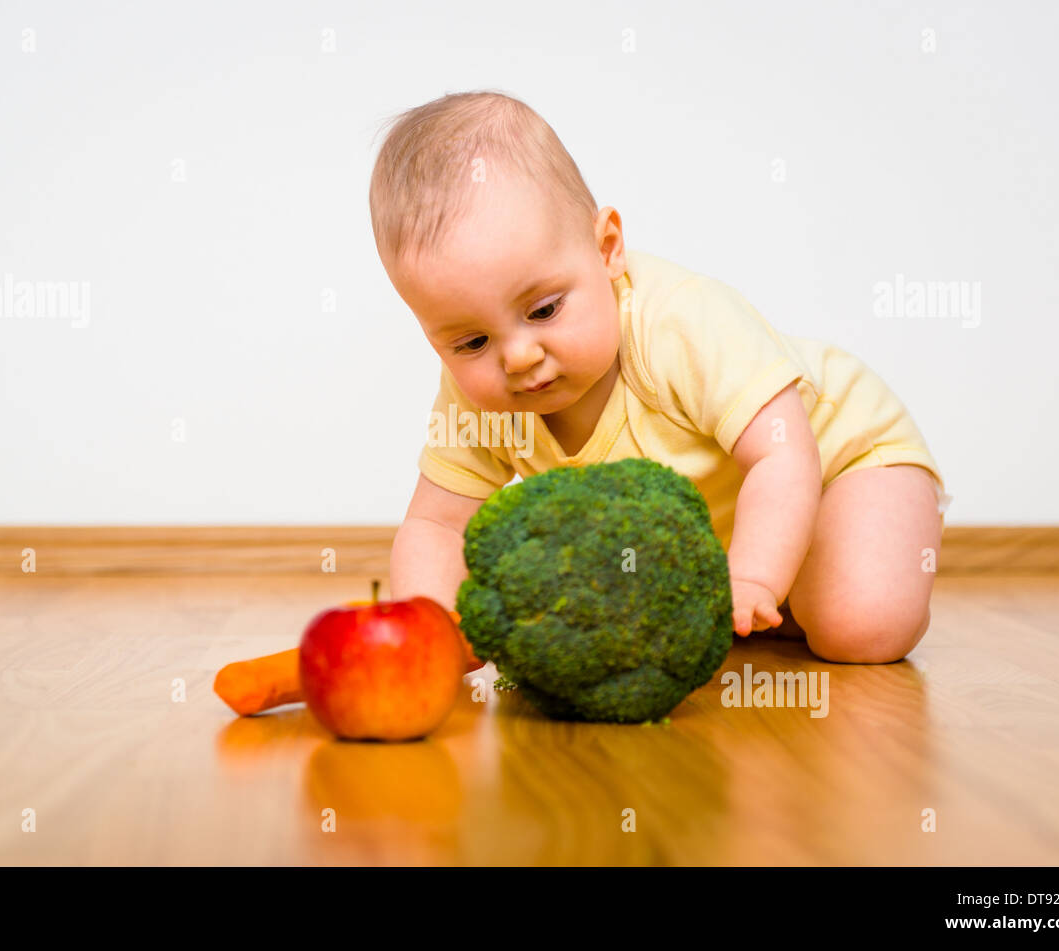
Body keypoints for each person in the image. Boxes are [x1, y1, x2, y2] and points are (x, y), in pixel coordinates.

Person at [368, 90, 952, 664]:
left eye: (544, 310)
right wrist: (430, 632)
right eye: (471, 341)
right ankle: (795, 584)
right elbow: (436, 524)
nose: (517, 357)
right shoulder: (476, 399)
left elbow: (782, 457)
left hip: (839, 459)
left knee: (859, 626)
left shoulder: (682, 322)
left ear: (607, 249)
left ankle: (843, 565)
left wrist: (749, 578)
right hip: (727, 516)